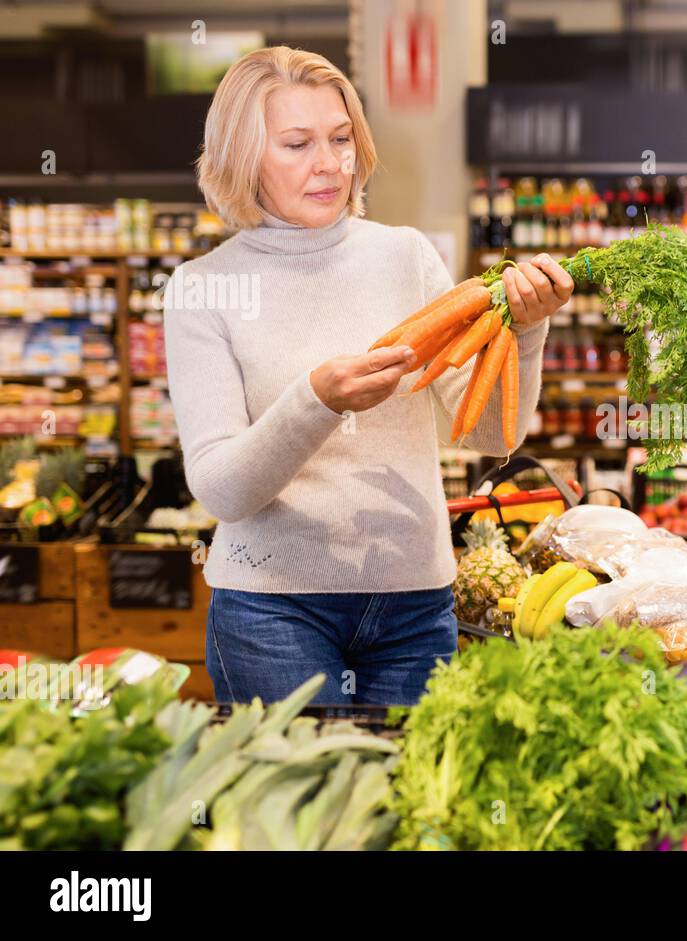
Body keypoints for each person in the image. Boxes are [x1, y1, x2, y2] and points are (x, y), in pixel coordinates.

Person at [166, 47, 572, 705]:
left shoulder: (406, 258)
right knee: (313, 808)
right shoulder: (204, 288)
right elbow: (222, 490)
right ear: (242, 157)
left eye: (341, 137)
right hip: (271, 610)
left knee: (412, 804)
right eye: (297, 144)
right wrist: (317, 401)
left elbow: (491, 435)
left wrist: (525, 334)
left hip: (414, 605)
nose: (329, 163)